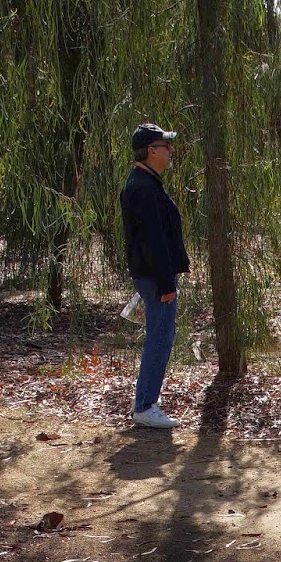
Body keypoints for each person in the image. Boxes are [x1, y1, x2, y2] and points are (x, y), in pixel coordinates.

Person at [121, 122, 191, 429]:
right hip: (155, 278)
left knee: (160, 337)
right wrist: (166, 283)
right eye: (166, 146)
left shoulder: (145, 182)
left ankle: (146, 402)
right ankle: (145, 406)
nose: (170, 151)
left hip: (152, 276)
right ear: (151, 151)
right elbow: (154, 242)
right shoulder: (144, 188)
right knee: (160, 340)